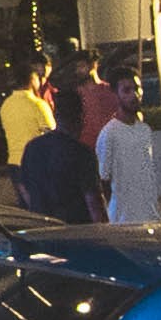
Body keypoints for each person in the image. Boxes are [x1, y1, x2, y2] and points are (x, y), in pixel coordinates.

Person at [14, 84, 105, 220]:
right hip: (75, 232)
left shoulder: (33, 147)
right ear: (81, 117)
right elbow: (93, 203)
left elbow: (22, 186)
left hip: (43, 230)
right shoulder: (82, 154)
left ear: (55, 115)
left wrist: (37, 210)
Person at [95, 70, 161, 224]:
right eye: (126, 90)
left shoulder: (144, 130)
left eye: (137, 89)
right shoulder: (109, 133)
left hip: (151, 218)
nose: (134, 95)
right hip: (123, 221)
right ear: (115, 95)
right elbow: (103, 179)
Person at [0, 63, 55, 184]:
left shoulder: (6, 105)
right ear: (32, 80)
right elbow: (51, 135)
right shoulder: (38, 104)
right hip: (36, 162)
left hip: (14, 162)